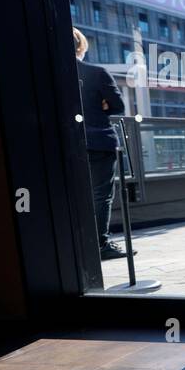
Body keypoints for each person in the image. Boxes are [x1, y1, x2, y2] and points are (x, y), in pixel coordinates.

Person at [75, 28, 131, 260]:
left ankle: (78, 244)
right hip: (98, 140)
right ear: (81, 46)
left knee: (74, 194)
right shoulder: (96, 73)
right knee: (101, 195)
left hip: (65, 143)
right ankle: (100, 245)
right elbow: (118, 106)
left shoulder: (49, 76)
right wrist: (102, 105)